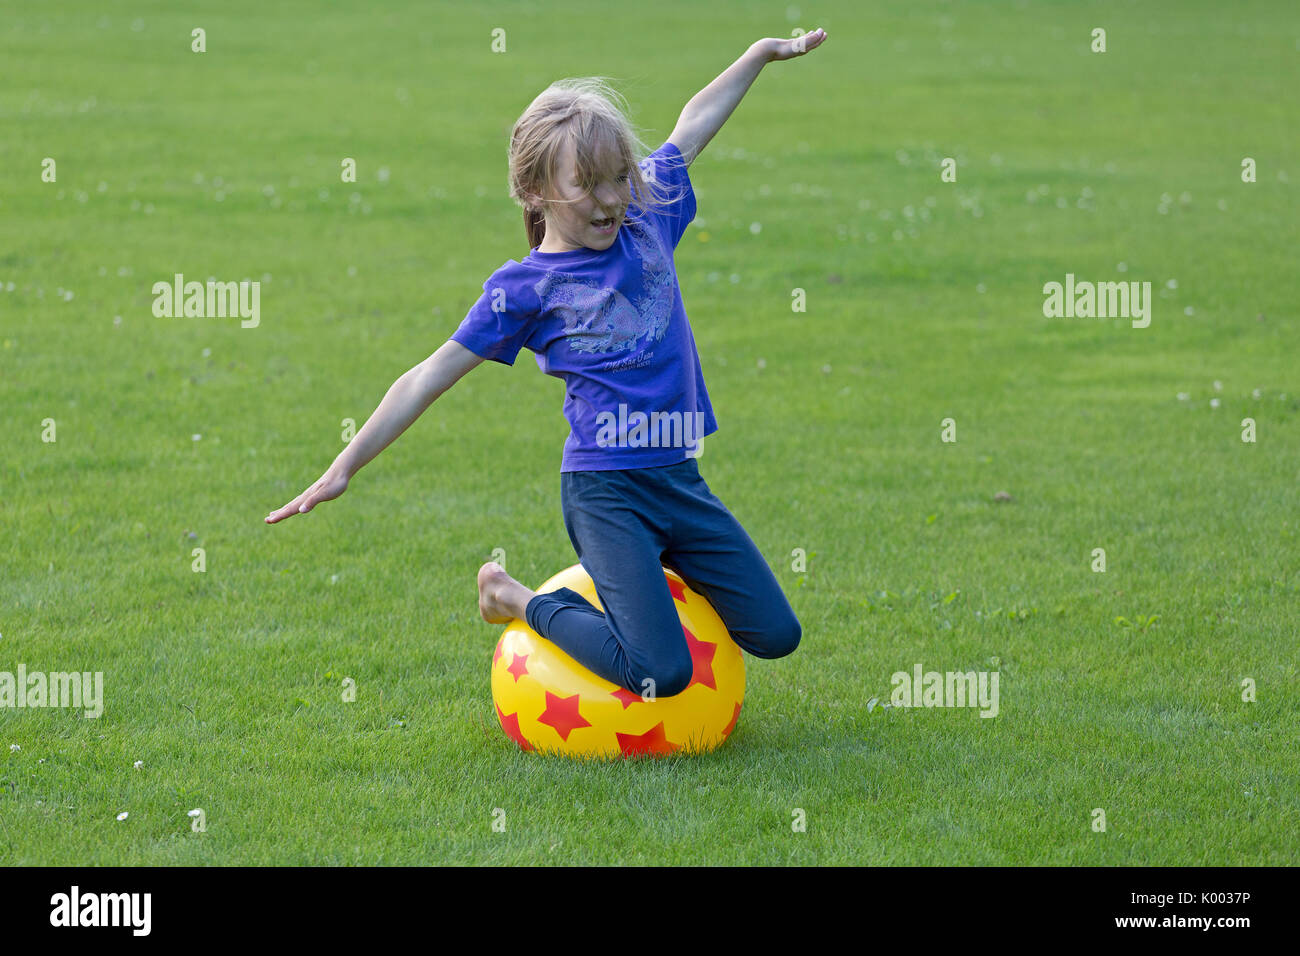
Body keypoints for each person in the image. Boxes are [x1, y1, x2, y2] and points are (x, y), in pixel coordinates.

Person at [267, 29, 829, 699]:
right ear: (536, 191)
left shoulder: (647, 220)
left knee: (777, 634)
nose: (611, 199)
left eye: (619, 177)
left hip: (678, 479)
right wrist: (343, 467)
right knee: (661, 673)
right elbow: (427, 376)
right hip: (605, 493)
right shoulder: (524, 289)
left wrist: (759, 55)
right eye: (588, 186)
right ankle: (513, 598)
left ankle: (645, 592)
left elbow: (692, 127)